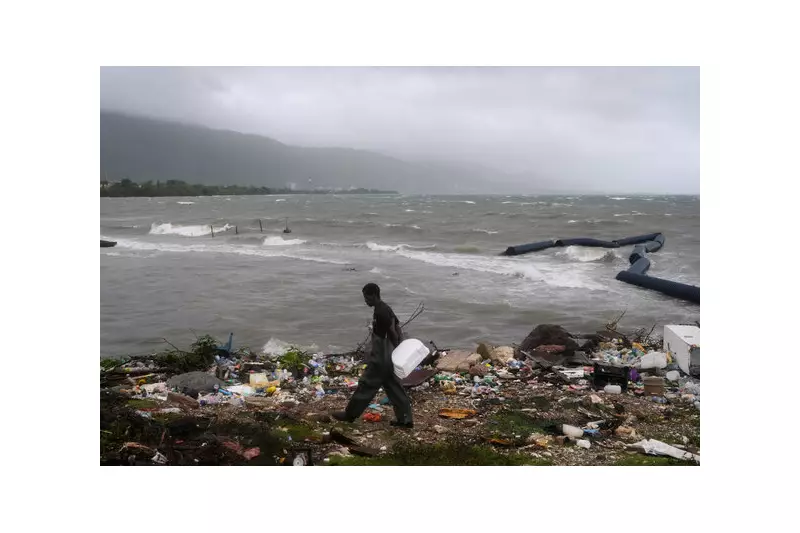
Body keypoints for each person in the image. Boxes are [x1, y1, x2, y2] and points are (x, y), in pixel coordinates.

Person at [332, 283, 414, 428]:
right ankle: (405, 420)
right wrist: (398, 350)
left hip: (382, 356)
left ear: (373, 295)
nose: (365, 301)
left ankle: (349, 415)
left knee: (366, 385)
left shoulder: (381, 311)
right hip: (388, 355)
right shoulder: (385, 308)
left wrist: (396, 348)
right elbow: (397, 326)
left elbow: (392, 331)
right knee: (394, 388)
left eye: (366, 297)